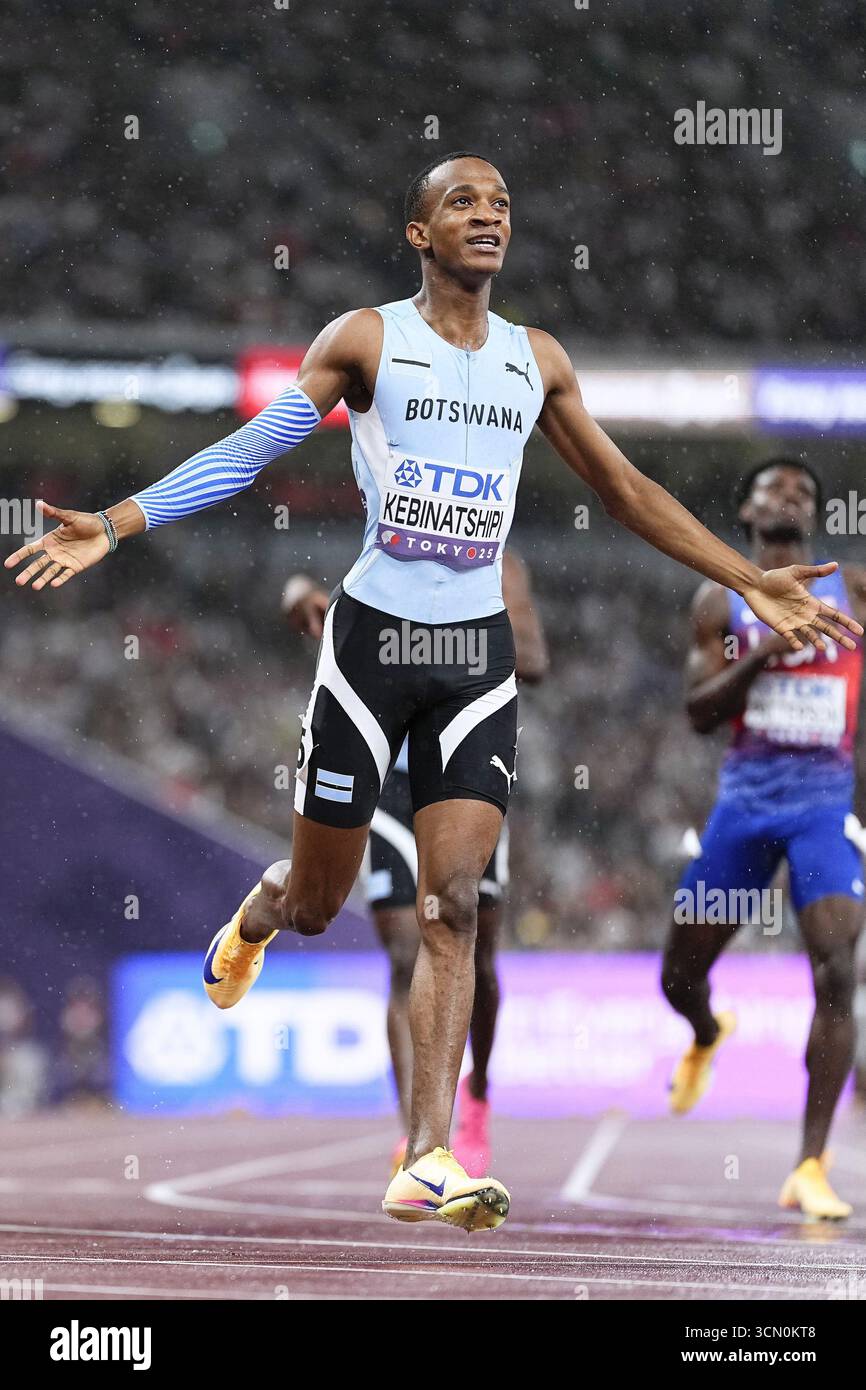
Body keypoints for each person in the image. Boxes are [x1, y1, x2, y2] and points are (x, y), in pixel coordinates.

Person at [7, 154, 861, 1233]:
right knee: (319, 901)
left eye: (502, 202)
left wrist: (745, 578)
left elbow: (625, 488)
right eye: (462, 202)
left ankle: (425, 1155)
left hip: (472, 660)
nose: (488, 216)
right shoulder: (363, 340)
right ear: (417, 233)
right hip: (367, 650)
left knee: (453, 908)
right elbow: (249, 451)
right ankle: (260, 918)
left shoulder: (532, 361)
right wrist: (118, 521)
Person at [282, 549, 548, 1179]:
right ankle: (419, 1136)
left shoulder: (501, 565)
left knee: (473, 948)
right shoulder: (387, 544)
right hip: (393, 787)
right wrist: (300, 591)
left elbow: (533, 661)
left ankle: (476, 1094)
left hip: (462, 780)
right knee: (405, 954)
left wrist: (463, 629)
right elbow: (307, 592)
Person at [662, 458, 866, 1219]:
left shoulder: (855, 588)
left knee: (838, 969)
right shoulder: (720, 598)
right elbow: (697, 711)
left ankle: (809, 1164)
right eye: (775, 486)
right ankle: (707, 1033)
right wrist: (764, 652)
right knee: (678, 979)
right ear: (746, 509)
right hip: (746, 804)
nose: (792, 495)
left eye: (805, 492)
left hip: (824, 802)